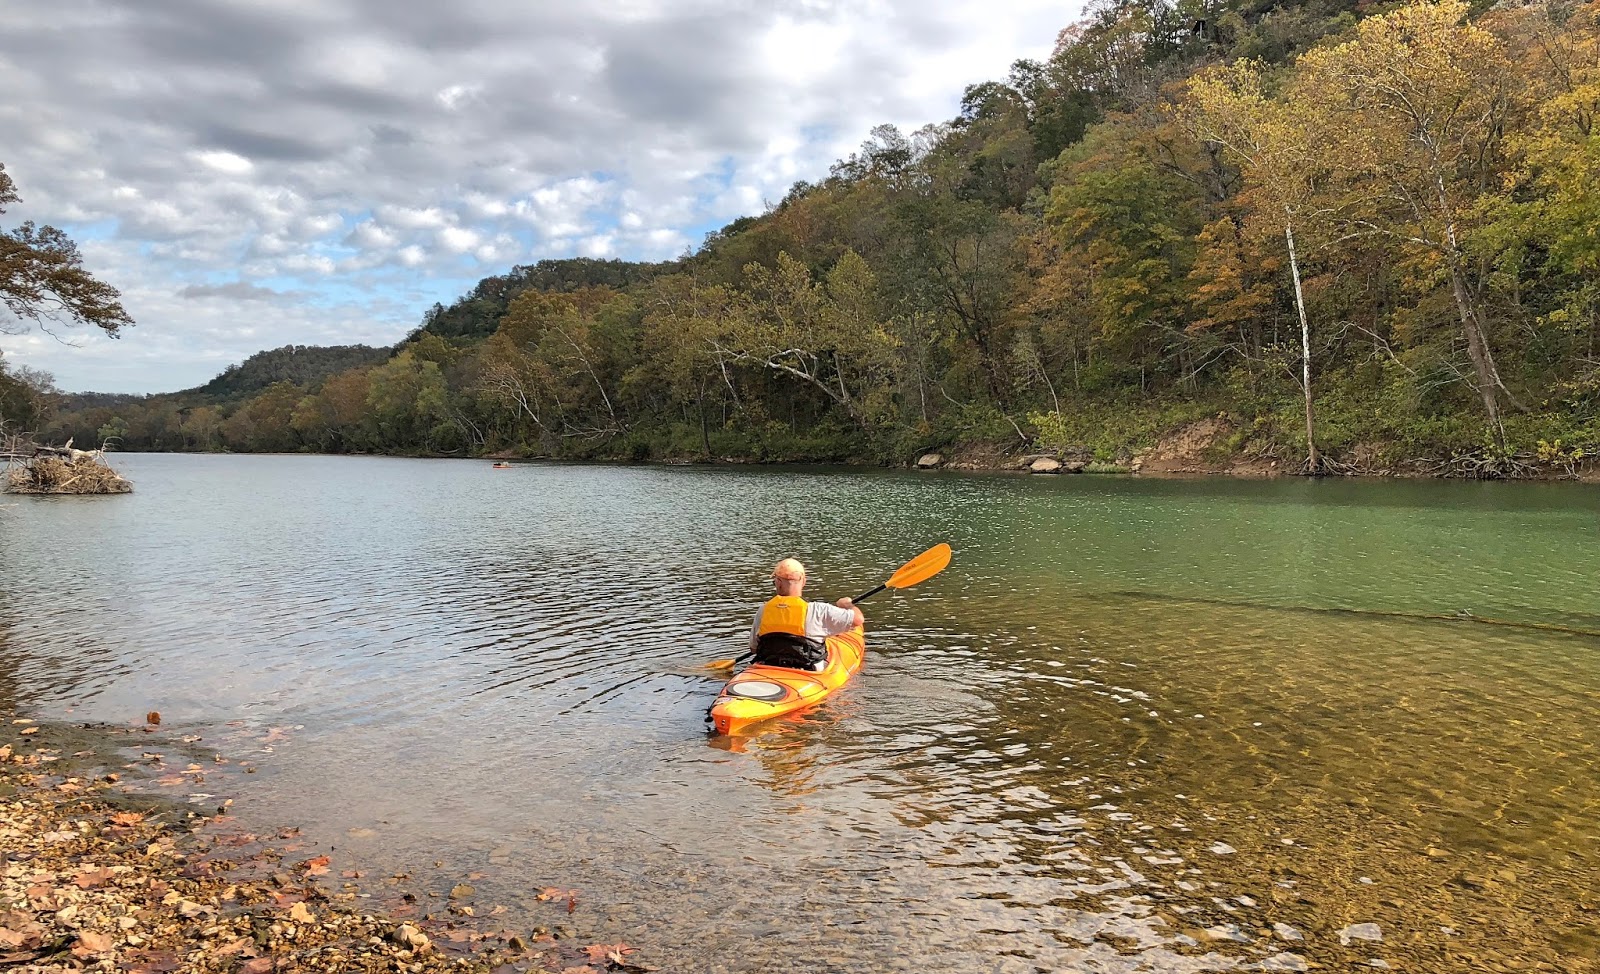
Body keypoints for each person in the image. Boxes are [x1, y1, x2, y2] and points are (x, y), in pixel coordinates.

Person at [748, 558, 864, 671]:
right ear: (804, 581)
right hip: (808, 671)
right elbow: (858, 620)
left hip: (770, 667)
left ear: (778, 583)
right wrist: (847, 604)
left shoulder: (763, 611)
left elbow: (754, 649)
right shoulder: (819, 610)